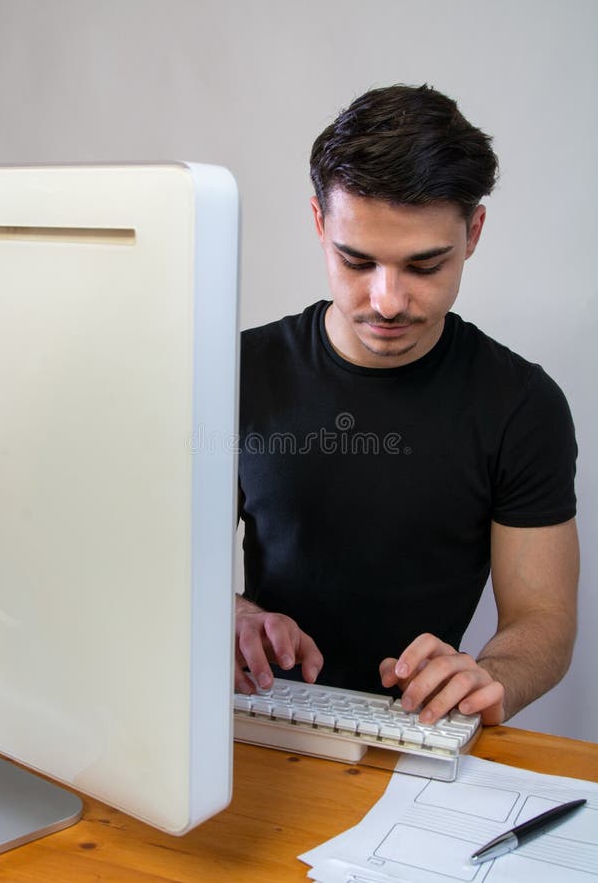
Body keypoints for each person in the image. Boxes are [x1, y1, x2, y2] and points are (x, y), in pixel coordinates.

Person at [235, 83, 579, 727]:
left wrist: (491, 677)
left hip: (420, 732)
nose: (387, 301)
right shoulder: (235, 373)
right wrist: (230, 615)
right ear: (319, 224)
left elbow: (543, 620)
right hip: (254, 719)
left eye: (424, 266)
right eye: (356, 261)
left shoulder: (522, 405)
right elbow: (156, 565)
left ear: (473, 233)